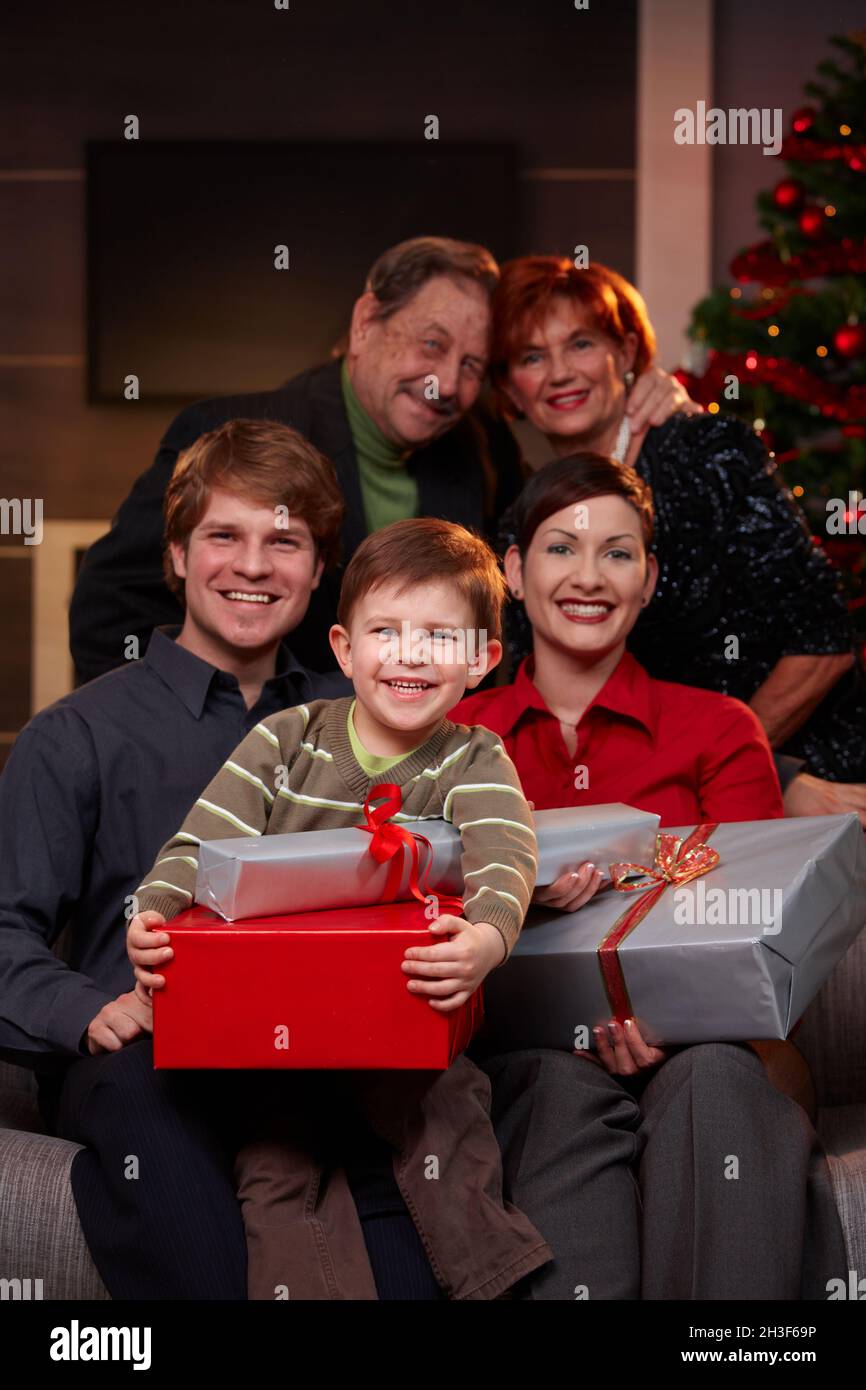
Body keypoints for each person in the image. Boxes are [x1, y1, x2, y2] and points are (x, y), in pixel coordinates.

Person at [451, 454, 848, 1300]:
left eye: (619, 553)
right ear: (514, 573)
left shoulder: (717, 727)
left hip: (710, 1042)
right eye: (561, 549)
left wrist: (671, 1016)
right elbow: (423, 910)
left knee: (714, 1079)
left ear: (649, 580)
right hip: (519, 1050)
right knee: (554, 1086)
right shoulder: (457, 733)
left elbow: (747, 918)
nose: (589, 577)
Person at [127, 517, 553, 1300]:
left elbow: (506, 855)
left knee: (449, 1120)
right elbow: (198, 845)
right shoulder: (286, 738)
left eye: (438, 636)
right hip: (274, 1024)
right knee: (276, 1166)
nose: (410, 654)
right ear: (343, 648)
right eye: (385, 631)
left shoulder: (474, 757)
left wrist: (488, 940)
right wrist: (152, 913)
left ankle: (497, 1283)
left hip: (402, 1013)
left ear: (483, 660)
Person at [0, 420, 359, 1300]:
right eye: (223, 536)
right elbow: (3, 932)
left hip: (327, 1049)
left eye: (285, 541)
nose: (253, 565)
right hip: (143, 1060)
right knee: (167, 1147)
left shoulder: (360, 722)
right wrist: (89, 1012)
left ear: (317, 571)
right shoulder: (74, 735)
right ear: (176, 555)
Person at [68, 238, 696, 683]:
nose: (446, 383)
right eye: (432, 344)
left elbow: (557, 543)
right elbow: (110, 605)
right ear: (367, 322)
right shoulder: (235, 430)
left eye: (473, 365)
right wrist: (182, 738)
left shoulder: (480, 443)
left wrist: (646, 398)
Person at [489, 255, 866, 820]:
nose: (560, 372)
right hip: (646, 798)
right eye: (532, 357)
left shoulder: (708, 454)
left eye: (582, 344)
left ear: (627, 353)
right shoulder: (522, 514)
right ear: (511, 390)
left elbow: (825, 641)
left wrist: (742, 764)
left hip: (801, 773)